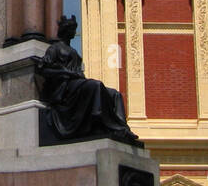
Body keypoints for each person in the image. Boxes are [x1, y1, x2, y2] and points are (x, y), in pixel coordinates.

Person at [36, 15, 138, 143]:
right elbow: (43, 69)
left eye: (74, 29)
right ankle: (97, 119)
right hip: (66, 88)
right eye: (72, 29)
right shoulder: (55, 49)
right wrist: (64, 72)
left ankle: (123, 129)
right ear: (65, 31)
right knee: (96, 85)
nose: (74, 32)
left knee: (115, 94)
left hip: (77, 85)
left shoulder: (73, 52)